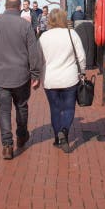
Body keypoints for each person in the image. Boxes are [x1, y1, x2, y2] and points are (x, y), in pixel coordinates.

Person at [0, 0, 43, 160]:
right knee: (22, 106)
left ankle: (7, 145)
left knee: (4, 110)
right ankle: (21, 135)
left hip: (0, 75)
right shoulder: (25, 25)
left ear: (5, 6)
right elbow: (33, 53)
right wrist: (35, 74)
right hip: (21, 75)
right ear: (18, 7)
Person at [38, 8, 86, 153]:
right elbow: (81, 56)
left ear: (50, 20)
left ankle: (57, 137)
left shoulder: (43, 37)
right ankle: (64, 131)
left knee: (55, 108)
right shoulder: (72, 34)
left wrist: (38, 76)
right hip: (69, 78)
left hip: (50, 78)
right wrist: (82, 71)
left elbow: (39, 59)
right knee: (69, 107)